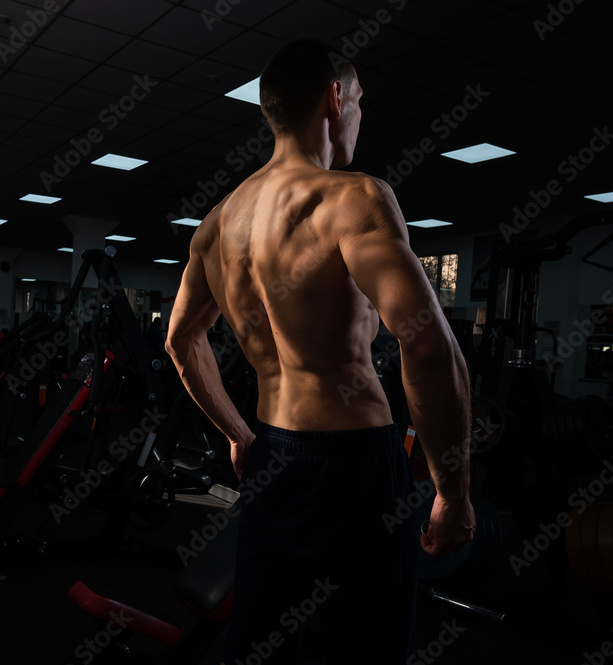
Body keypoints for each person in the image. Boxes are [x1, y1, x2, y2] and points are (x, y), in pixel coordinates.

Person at [165, 38, 474, 664]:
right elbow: (427, 347)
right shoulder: (354, 198)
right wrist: (454, 490)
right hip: (352, 463)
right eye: (359, 100)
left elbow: (180, 341)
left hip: (271, 450)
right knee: (360, 645)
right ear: (336, 98)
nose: (359, 115)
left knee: (263, 640)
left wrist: (236, 434)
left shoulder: (217, 223)